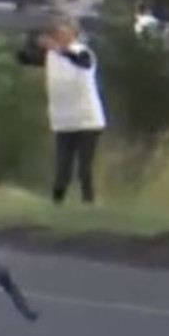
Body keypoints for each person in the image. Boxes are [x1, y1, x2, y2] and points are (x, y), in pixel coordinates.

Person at [16, 19, 106, 205]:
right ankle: (57, 203)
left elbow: (81, 62)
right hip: (63, 121)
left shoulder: (82, 52)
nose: (60, 36)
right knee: (62, 167)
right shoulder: (51, 56)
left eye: (65, 32)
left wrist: (57, 49)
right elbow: (24, 58)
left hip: (87, 120)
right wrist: (30, 39)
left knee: (83, 168)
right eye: (58, 32)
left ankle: (88, 202)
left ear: (74, 34)